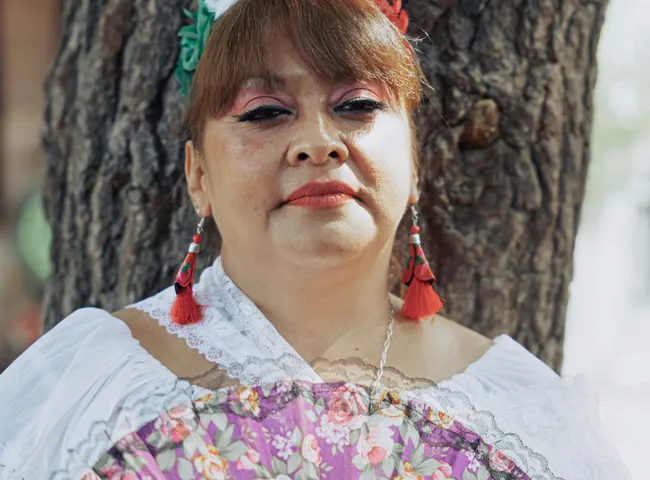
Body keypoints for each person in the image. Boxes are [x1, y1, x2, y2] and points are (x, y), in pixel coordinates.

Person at [0, 0, 630, 478]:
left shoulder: (522, 411)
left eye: (357, 105)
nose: (318, 141)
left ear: (416, 164)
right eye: (266, 112)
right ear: (199, 177)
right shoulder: (96, 380)